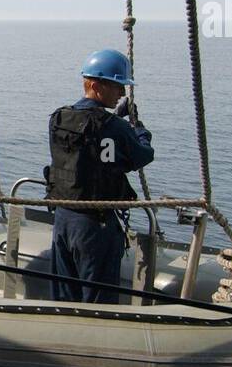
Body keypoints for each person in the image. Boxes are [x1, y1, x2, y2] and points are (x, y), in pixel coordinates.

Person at [45, 48, 154, 304]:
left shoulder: (59, 118)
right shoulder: (116, 127)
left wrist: (117, 122)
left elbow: (89, 146)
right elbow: (142, 156)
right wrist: (137, 126)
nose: (122, 93)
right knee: (98, 303)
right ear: (96, 85)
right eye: (117, 85)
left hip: (63, 219)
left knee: (63, 298)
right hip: (96, 226)